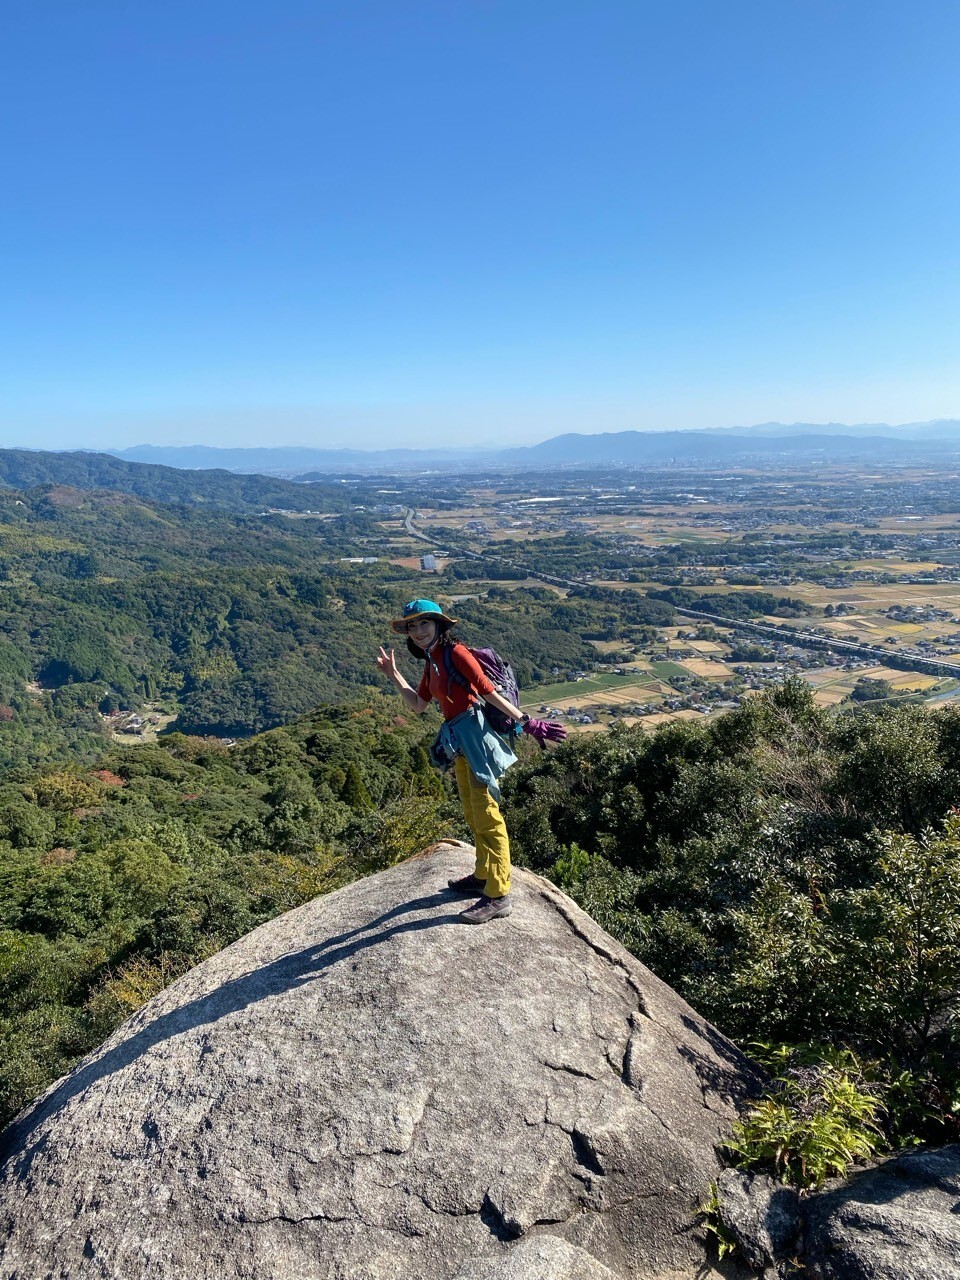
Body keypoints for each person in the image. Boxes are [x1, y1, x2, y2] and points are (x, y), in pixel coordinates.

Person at [376, 598, 565, 924]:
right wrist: (393, 674)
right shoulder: (432, 661)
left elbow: (488, 691)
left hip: (477, 741)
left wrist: (527, 722)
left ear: (439, 624)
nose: (418, 631)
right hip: (459, 742)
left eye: (424, 623)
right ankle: (482, 875)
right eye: (412, 626)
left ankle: (498, 894)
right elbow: (419, 705)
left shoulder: (456, 653)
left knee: (488, 816)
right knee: (473, 813)